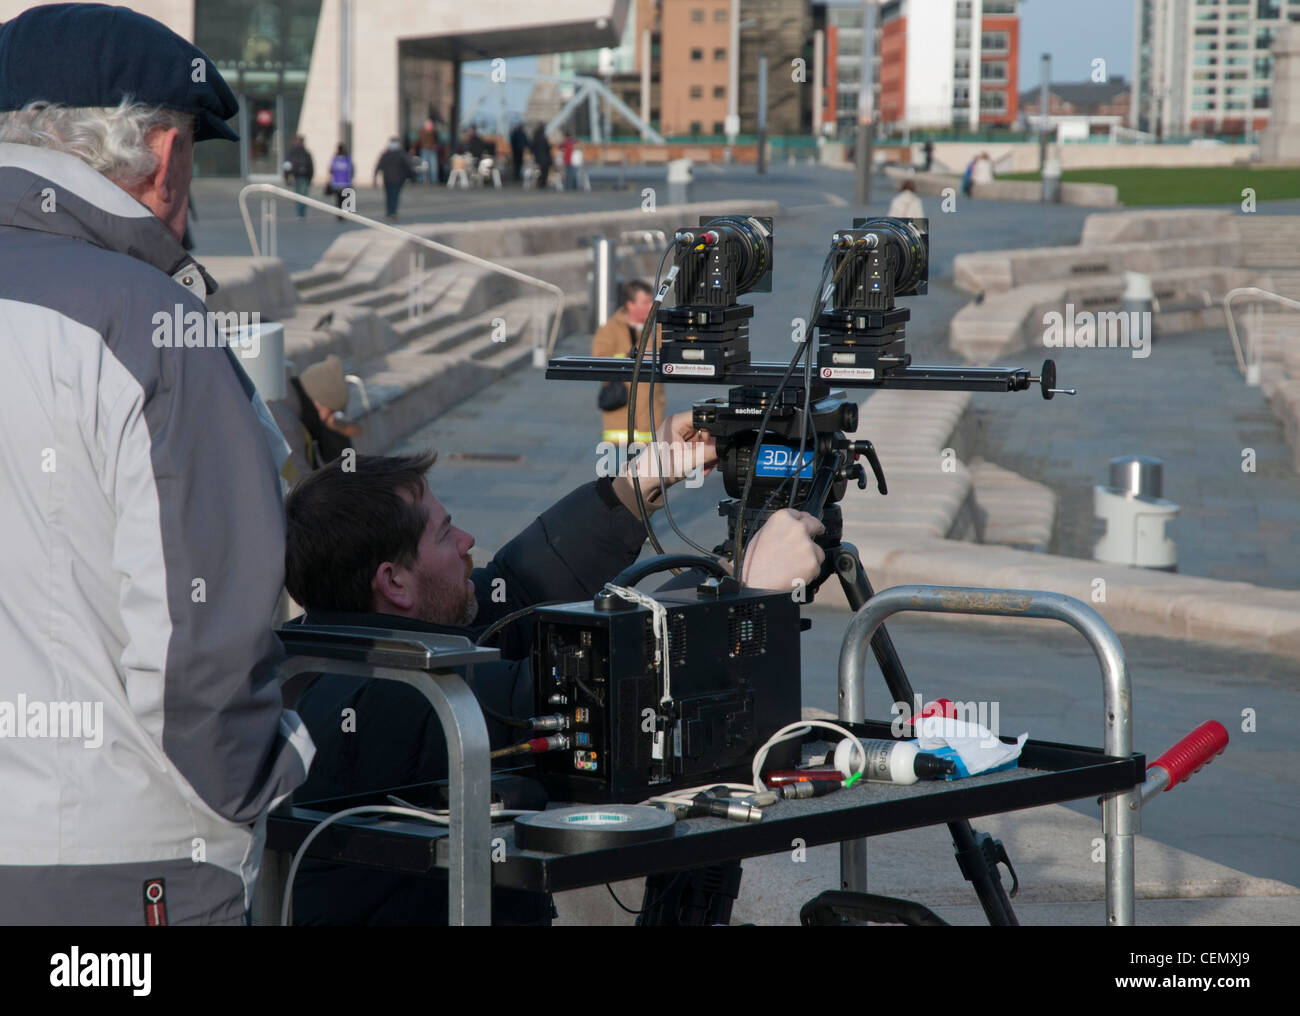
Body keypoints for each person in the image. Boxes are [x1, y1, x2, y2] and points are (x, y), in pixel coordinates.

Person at [0, 3, 313, 925]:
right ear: (167, 154)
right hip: (120, 867)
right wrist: (274, 772)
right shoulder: (148, 323)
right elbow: (200, 654)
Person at [282, 412, 825, 923]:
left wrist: (645, 478)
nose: (469, 540)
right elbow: (597, 703)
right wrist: (752, 597)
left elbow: (513, 591)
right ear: (393, 582)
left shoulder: (338, 643)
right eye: (446, 533)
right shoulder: (388, 694)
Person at [593, 280, 665, 445]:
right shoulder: (610, 329)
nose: (651, 306)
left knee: (649, 470)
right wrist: (629, 357)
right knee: (619, 469)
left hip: (651, 418)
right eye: (645, 302)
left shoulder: (659, 330)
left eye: (652, 301)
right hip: (620, 422)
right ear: (630, 305)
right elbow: (599, 359)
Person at [292, 354, 361, 470]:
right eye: (329, 410)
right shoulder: (289, 424)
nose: (326, 418)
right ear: (318, 403)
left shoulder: (300, 404)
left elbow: (347, 470)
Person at [374, 136, 415, 220]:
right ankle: (393, 213)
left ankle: (390, 212)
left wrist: (374, 178)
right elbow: (408, 166)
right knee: (395, 196)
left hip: (388, 179)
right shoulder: (401, 154)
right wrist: (412, 177)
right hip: (398, 179)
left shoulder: (386, 154)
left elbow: (378, 166)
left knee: (389, 196)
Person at [284, 133, 314, 216]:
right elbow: (288, 165)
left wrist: (287, 177)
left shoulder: (297, 152)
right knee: (302, 194)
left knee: (300, 194)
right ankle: (301, 212)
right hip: (300, 176)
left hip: (301, 176)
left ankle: (300, 211)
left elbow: (287, 165)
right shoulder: (303, 153)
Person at [327, 141, 353, 217]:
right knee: (345, 198)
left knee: (338, 199)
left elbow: (331, 170)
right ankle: (344, 212)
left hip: (337, 182)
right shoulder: (347, 159)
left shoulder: (335, 159)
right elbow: (352, 170)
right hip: (346, 182)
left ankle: (339, 213)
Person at [531, 123, 553, 190]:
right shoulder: (544, 139)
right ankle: (543, 183)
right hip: (545, 158)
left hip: (538, 158)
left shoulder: (535, 138)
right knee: (545, 171)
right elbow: (548, 148)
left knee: (540, 171)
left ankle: (540, 183)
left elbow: (533, 148)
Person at [416, 118, 438, 184]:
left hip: (432, 150)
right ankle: (420, 179)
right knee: (422, 165)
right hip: (424, 150)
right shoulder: (422, 132)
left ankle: (434, 180)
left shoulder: (434, 132)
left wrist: (435, 146)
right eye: (430, 125)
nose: (431, 127)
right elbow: (419, 141)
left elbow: (436, 140)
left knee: (433, 166)